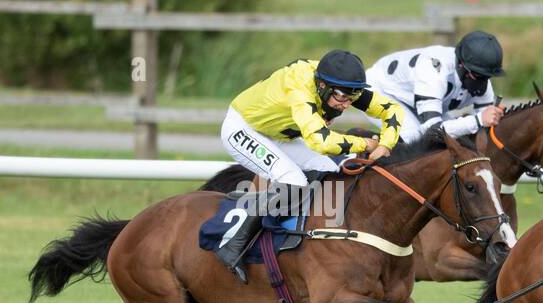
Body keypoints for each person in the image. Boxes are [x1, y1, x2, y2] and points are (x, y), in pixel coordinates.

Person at [217, 50, 402, 282]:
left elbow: (393, 110)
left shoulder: (340, 85)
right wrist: (364, 143)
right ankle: (233, 246)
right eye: (341, 98)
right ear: (322, 86)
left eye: (351, 99)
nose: (345, 105)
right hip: (244, 129)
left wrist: (385, 144)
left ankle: (304, 236)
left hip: (280, 135)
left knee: (331, 172)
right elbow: (321, 141)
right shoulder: (300, 89)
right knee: (292, 180)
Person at [363, 30, 507, 144]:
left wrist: (494, 117)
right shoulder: (433, 70)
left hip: (413, 99)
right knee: (413, 137)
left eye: (487, 77)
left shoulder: (477, 73)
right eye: (479, 75)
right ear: (461, 66)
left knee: (458, 141)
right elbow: (432, 132)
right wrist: (478, 120)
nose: (484, 82)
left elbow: (486, 126)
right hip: (378, 89)